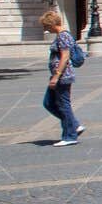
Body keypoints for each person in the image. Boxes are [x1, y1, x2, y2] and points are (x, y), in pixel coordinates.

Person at [40, 10, 84, 146]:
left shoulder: (63, 36)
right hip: (58, 76)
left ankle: (70, 136)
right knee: (49, 103)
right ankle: (74, 125)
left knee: (63, 105)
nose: (46, 29)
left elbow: (65, 57)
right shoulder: (61, 35)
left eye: (46, 26)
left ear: (52, 24)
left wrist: (56, 76)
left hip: (62, 76)